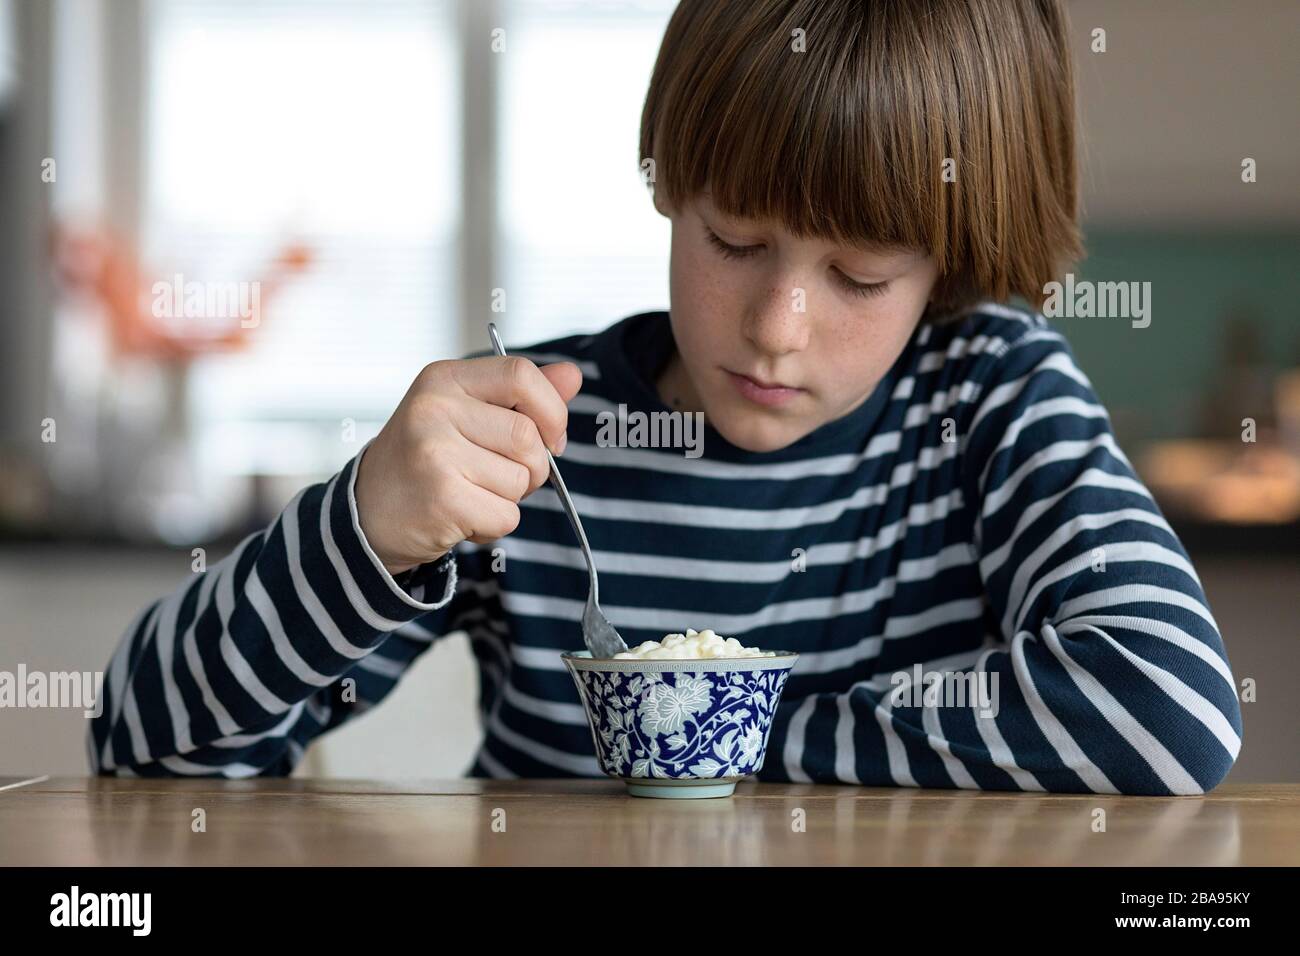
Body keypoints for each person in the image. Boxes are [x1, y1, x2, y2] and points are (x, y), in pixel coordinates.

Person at [90, 0, 1241, 793]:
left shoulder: (990, 390)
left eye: (859, 274)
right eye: (734, 238)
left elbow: (1165, 703)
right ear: (668, 182)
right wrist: (360, 529)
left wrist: (716, 728)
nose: (776, 327)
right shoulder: (535, 435)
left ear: (951, 263)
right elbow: (145, 747)